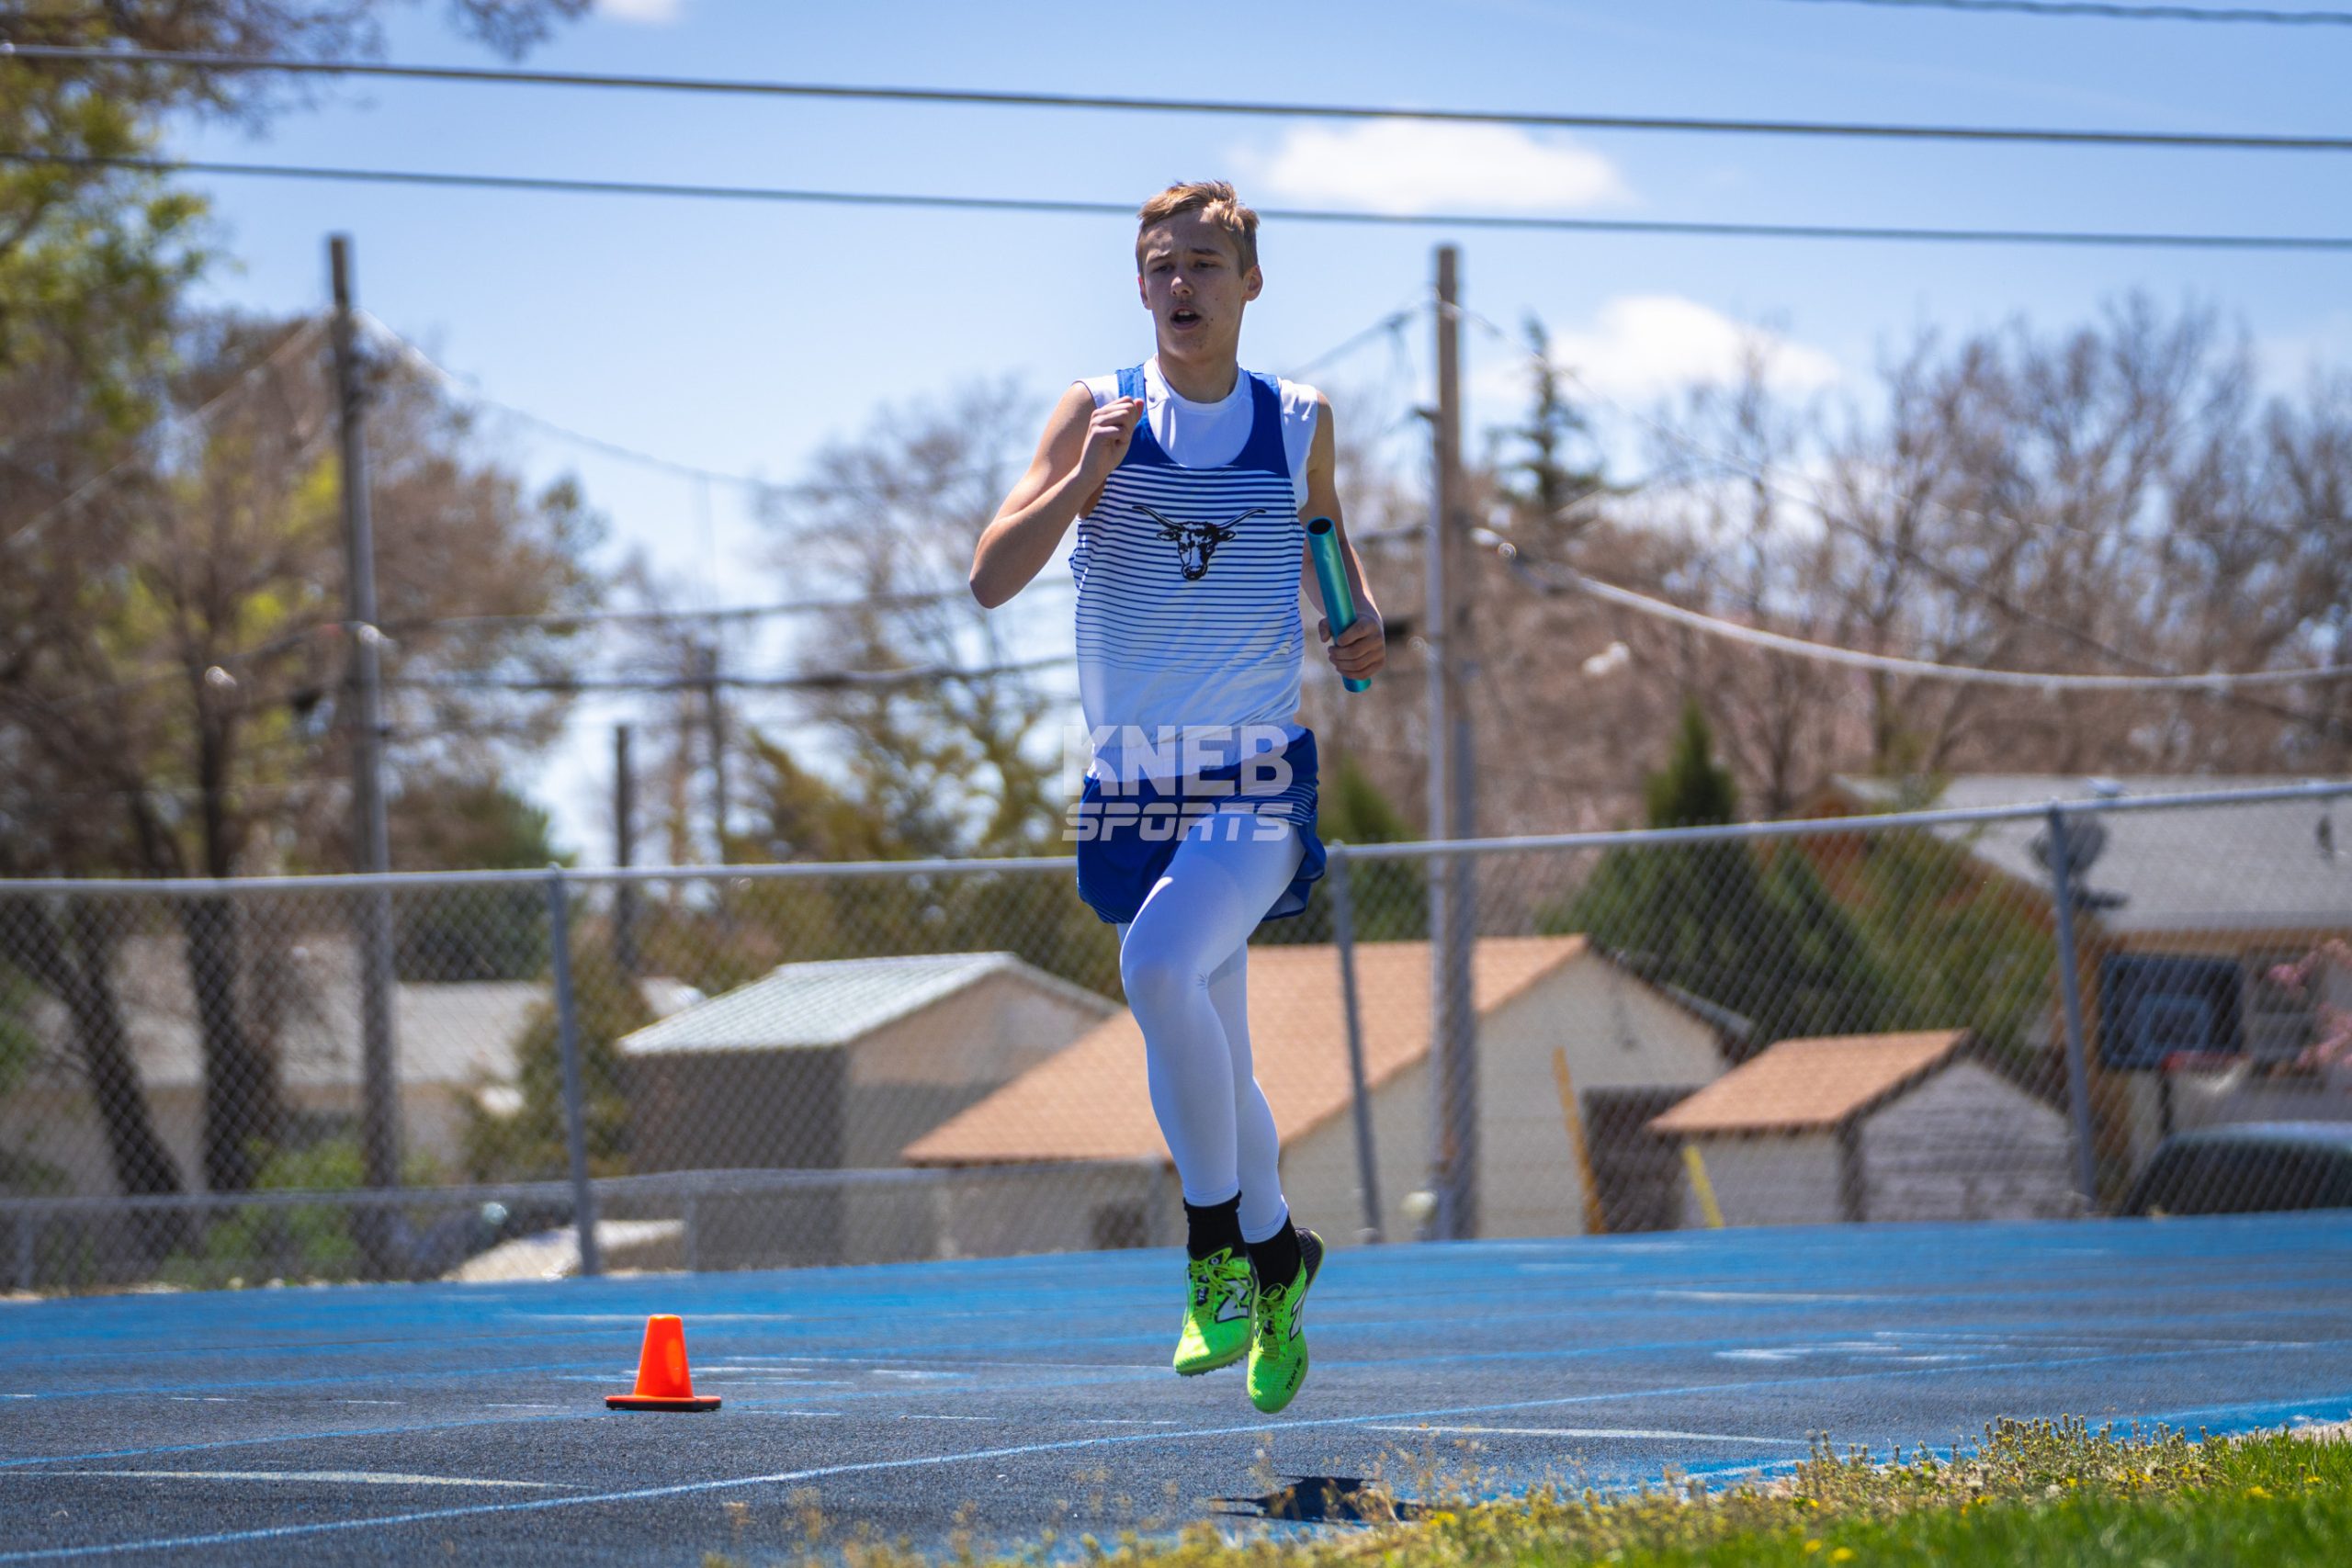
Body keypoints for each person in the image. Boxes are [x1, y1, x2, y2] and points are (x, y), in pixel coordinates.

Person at [970, 181, 1385, 1415]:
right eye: (1161, 266)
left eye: (1205, 264)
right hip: (1130, 791)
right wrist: (1079, 481)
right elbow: (992, 578)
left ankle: (1212, 1251)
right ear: (1139, 283)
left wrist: (1354, 623)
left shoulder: (1298, 417)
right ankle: (1279, 1257)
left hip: (1254, 779)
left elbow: (1324, 538)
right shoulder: (1097, 413)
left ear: (1249, 282)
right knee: (1213, 1048)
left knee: (1157, 971)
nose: (1182, 286)